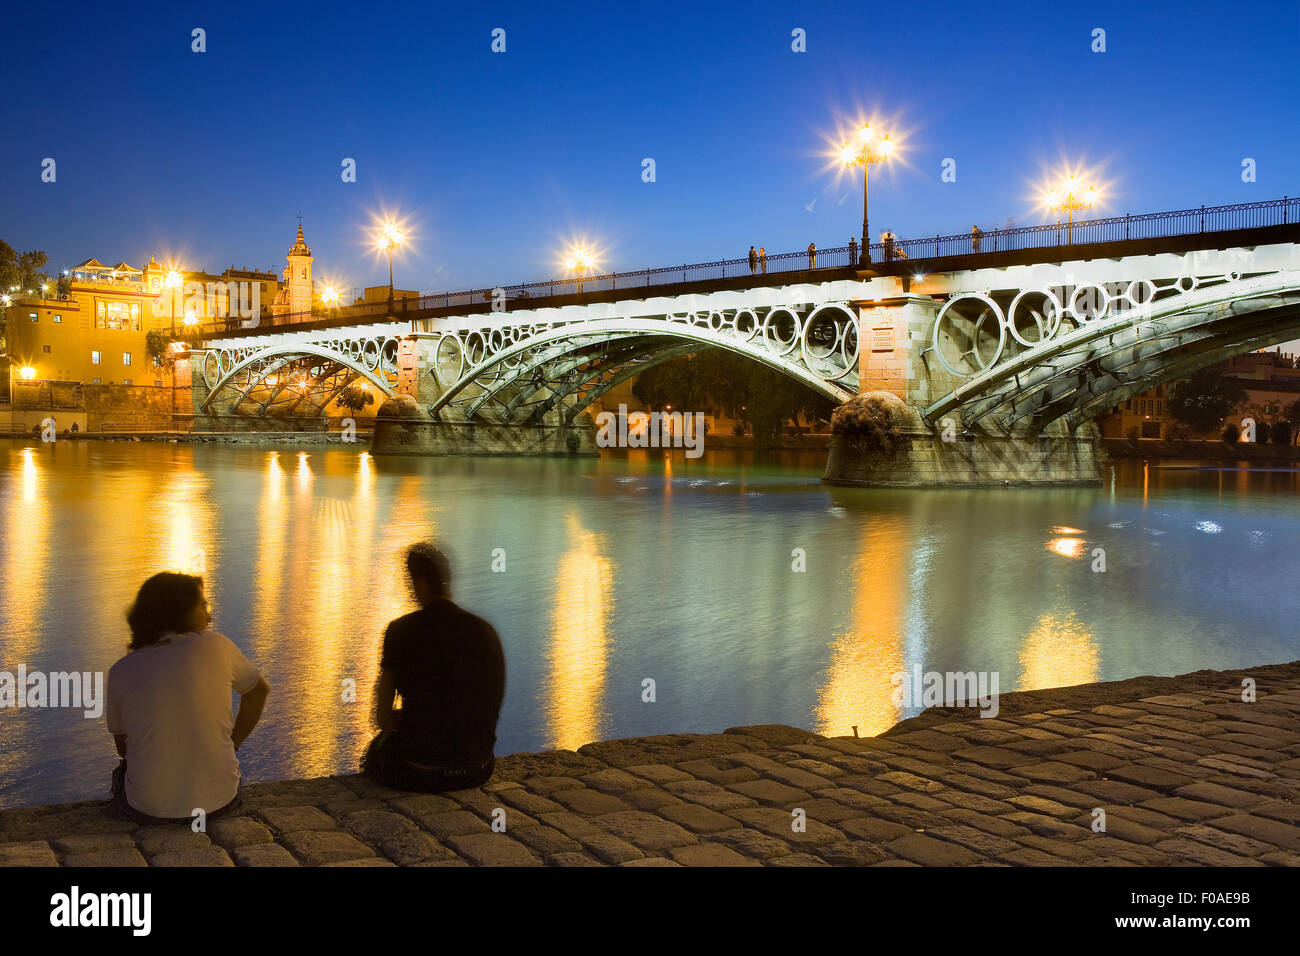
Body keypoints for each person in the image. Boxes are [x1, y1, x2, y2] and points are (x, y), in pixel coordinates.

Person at [106, 573, 269, 825]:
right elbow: (258, 692)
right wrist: (233, 745)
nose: (210, 615)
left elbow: (124, 748)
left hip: (148, 809)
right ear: (181, 612)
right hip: (221, 801)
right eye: (203, 606)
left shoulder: (121, 670)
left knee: (122, 774)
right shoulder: (217, 646)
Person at [363, 543, 506, 793]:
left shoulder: (400, 630)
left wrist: (406, 718)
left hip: (420, 771)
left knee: (375, 751)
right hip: (477, 769)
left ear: (420, 583)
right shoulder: (486, 631)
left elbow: (382, 719)